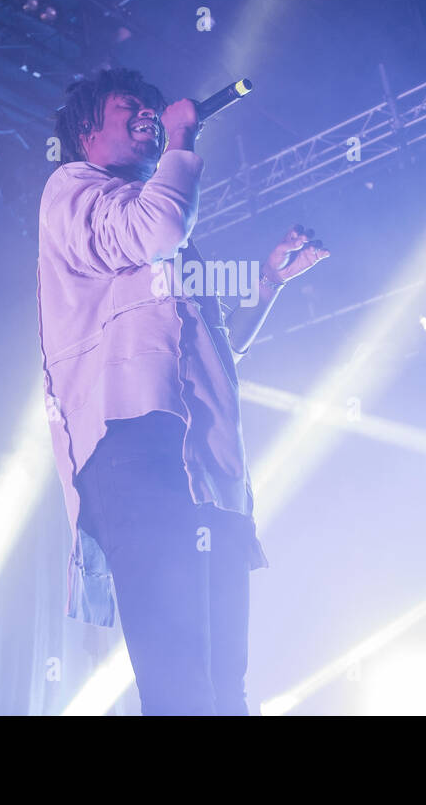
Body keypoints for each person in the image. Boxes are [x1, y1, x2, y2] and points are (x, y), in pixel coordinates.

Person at [36, 67, 329, 714]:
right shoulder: (74, 194)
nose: (146, 113)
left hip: (208, 469)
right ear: (86, 127)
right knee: (178, 682)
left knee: (226, 685)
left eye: (152, 107)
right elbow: (158, 227)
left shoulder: (162, 230)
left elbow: (213, 351)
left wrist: (267, 287)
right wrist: (180, 139)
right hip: (136, 448)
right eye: (129, 107)